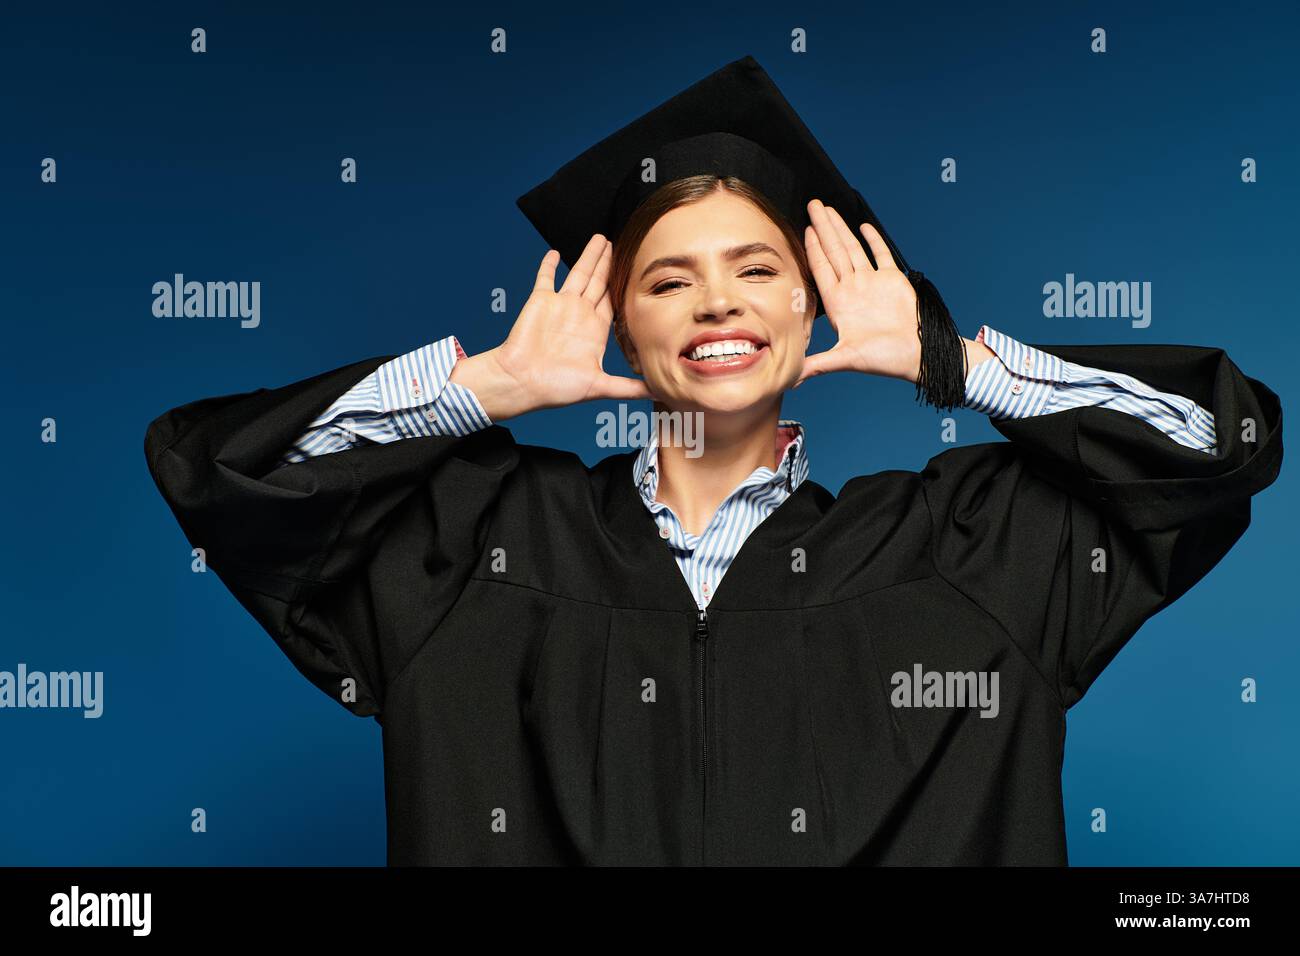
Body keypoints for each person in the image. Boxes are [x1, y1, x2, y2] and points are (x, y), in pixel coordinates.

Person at [144, 56, 1282, 865]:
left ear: (810, 305)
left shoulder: (966, 552)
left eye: (756, 268)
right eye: (667, 278)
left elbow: (1218, 441)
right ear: (619, 324)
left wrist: (957, 360)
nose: (716, 302)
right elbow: (223, 471)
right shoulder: (475, 543)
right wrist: (482, 386)